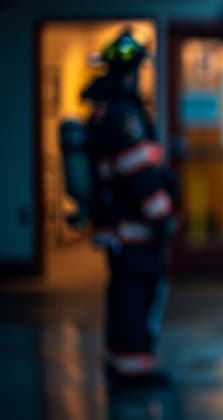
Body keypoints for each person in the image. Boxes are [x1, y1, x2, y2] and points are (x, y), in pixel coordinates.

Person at [80, 29, 176, 384]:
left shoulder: (104, 111)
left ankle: (119, 361)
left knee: (122, 295)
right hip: (134, 228)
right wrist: (163, 216)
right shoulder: (126, 115)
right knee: (135, 295)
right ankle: (133, 369)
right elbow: (139, 171)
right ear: (133, 71)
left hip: (117, 226)